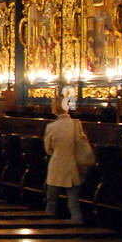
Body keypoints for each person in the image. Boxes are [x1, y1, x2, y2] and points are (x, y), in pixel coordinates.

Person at [44, 95, 85, 224]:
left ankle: (48, 230)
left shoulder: (51, 127)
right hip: (72, 165)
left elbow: (48, 149)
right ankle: (78, 230)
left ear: (54, 108)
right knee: (73, 203)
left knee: (51, 202)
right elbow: (81, 144)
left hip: (56, 166)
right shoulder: (76, 125)